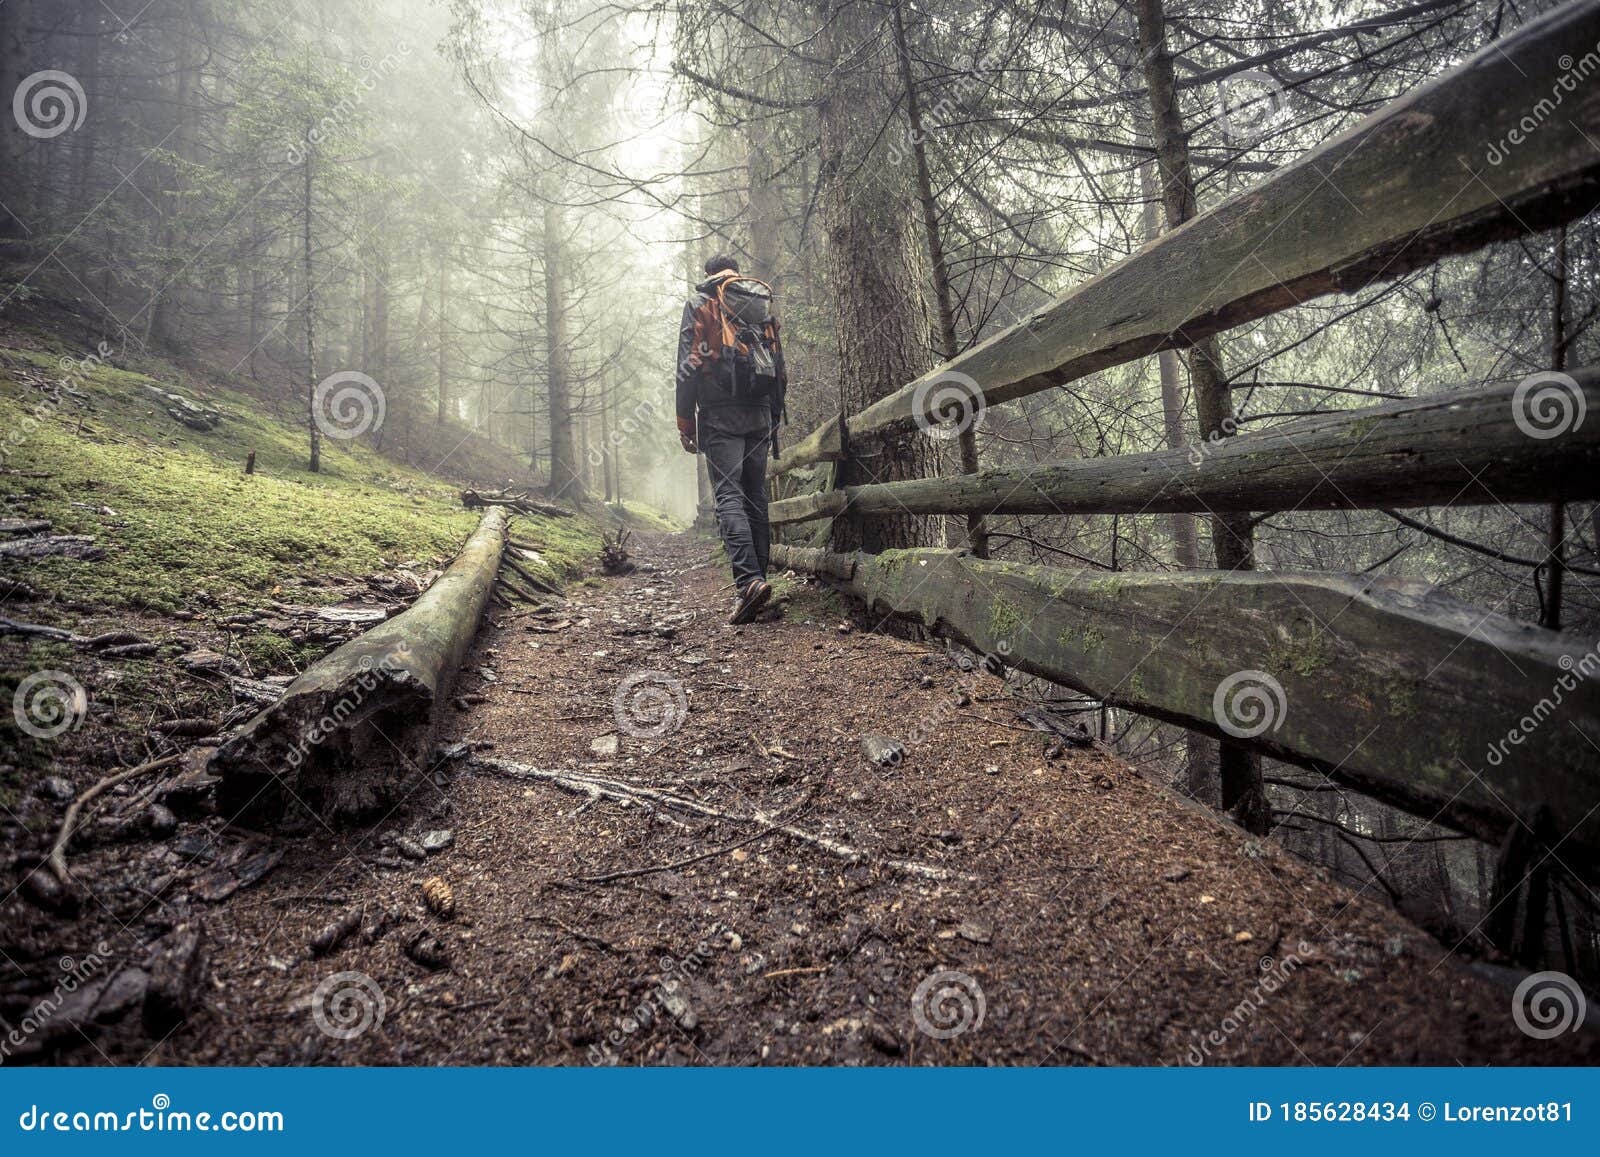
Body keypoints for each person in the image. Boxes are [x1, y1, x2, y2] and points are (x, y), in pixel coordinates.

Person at [675, 254, 787, 624]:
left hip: (719, 413)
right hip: (759, 410)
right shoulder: (758, 302)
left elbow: (688, 364)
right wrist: (773, 415)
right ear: (734, 272)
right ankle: (761, 586)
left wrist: (684, 420)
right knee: (756, 496)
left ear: (709, 274)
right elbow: (777, 363)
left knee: (729, 496)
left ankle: (749, 584)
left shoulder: (701, 303)